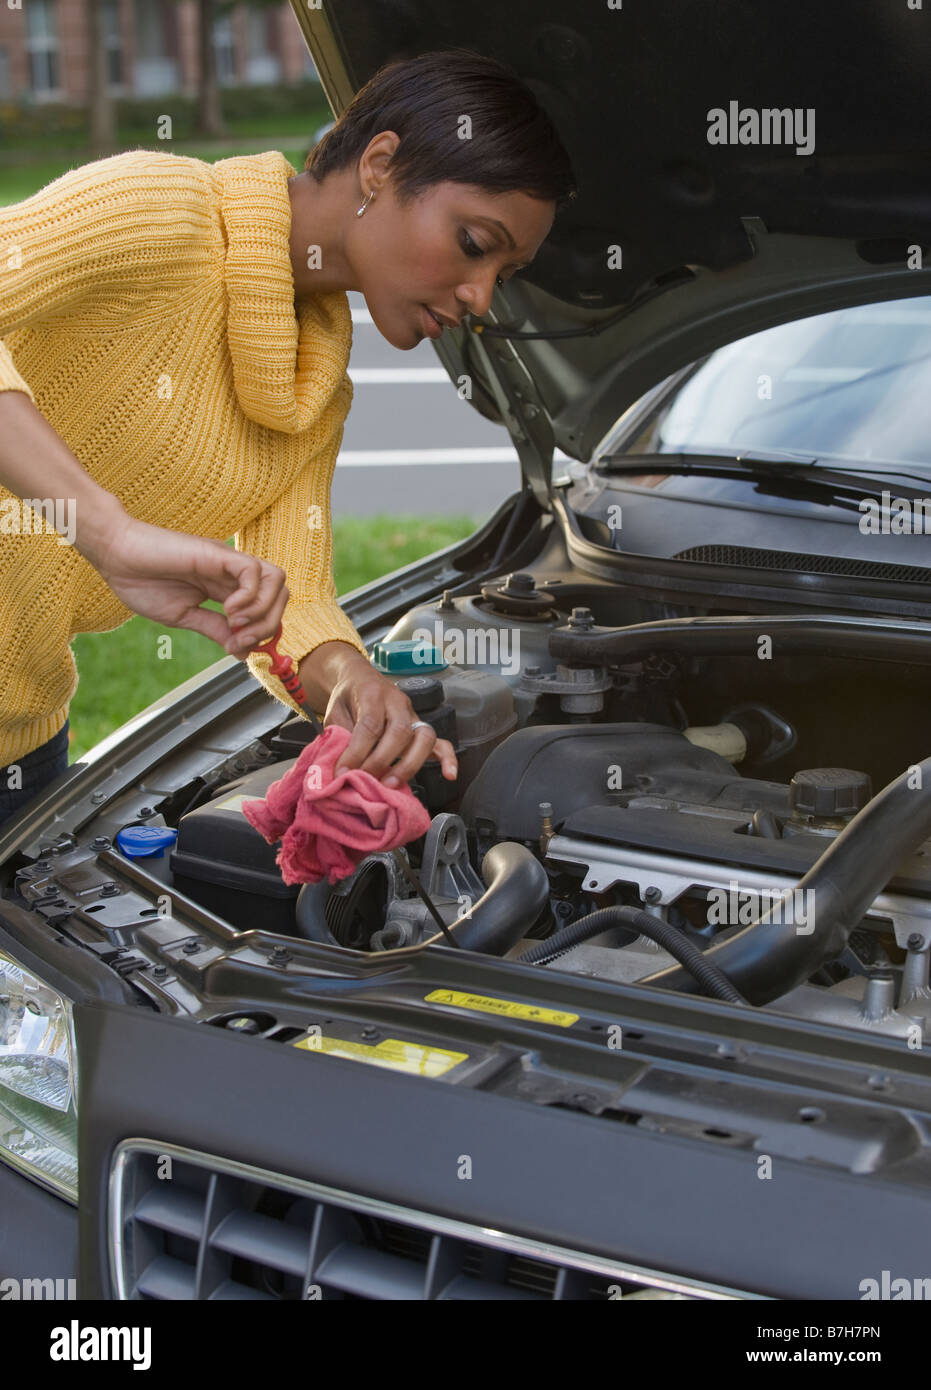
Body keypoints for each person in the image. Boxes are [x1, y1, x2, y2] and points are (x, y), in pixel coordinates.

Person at [0, 47, 576, 825]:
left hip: (24, 746)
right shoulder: (159, 209)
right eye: (475, 243)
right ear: (379, 166)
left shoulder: (312, 389)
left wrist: (353, 683)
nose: (479, 297)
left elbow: (291, 592)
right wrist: (106, 530)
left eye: (503, 275)